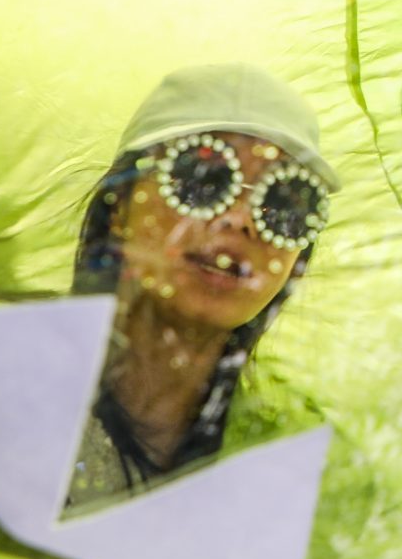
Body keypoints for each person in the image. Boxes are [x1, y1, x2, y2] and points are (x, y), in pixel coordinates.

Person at [65, 64, 337, 510]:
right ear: (120, 205)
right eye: (204, 181)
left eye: (286, 203)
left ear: (297, 259)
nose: (242, 220)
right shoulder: (2, 378)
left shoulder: (310, 470)